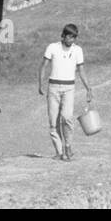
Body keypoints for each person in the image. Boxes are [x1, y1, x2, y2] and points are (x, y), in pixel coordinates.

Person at [38, 24, 92, 161]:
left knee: (67, 117)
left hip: (69, 88)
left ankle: (68, 146)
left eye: (74, 37)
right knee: (53, 121)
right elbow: (43, 66)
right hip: (53, 87)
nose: (71, 40)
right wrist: (40, 83)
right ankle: (59, 152)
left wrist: (88, 88)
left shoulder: (78, 50)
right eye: (69, 37)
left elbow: (81, 70)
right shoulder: (52, 47)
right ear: (63, 36)